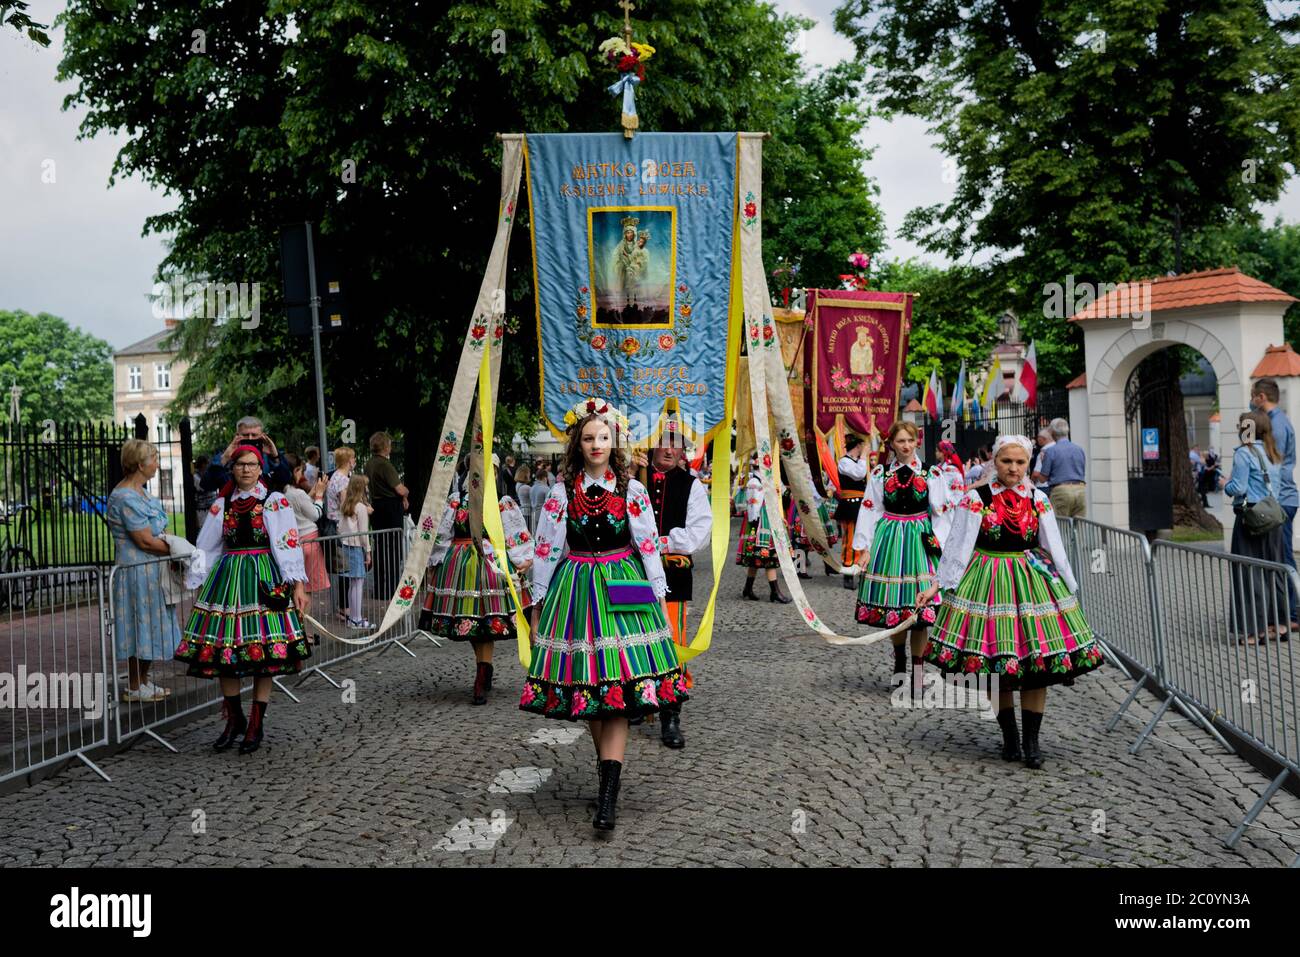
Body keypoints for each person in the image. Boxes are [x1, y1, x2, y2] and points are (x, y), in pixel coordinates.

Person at [520, 398, 687, 833]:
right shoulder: (561, 492)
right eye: (589, 437)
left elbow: (649, 546)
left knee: (616, 689)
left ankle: (608, 793)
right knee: (591, 690)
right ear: (578, 442)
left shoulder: (631, 491)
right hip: (575, 591)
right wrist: (537, 606)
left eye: (604, 437)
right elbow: (546, 550)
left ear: (616, 443)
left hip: (622, 588)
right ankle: (605, 772)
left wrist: (659, 601)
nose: (596, 444)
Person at [917, 434, 1104, 769]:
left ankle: (1032, 742)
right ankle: (1010, 738)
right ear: (995, 461)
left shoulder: (1039, 500)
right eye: (1007, 461)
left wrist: (1068, 583)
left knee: (1036, 667)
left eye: (1020, 462)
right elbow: (959, 546)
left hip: (1032, 580)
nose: (1013, 468)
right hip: (987, 580)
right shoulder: (976, 498)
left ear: (1028, 464)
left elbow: (1054, 545)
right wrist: (938, 585)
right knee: (996, 665)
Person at [174, 444, 312, 754]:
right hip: (228, 581)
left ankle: (255, 722)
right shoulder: (221, 505)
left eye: (252, 464)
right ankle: (234, 718)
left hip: (264, 578)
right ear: (233, 469)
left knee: (264, 655)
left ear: (261, 468)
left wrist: (298, 587)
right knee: (224, 653)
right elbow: (207, 545)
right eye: (240, 465)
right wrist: (196, 578)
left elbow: (288, 545)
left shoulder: (274, 502)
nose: (246, 470)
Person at [418, 455, 535, 705]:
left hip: (491, 567)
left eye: (489, 470)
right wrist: (434, 560)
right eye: (477, 469)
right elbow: (442, 534)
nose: (483, 474)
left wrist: (521, 558)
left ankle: (482, 674)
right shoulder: (457, 501)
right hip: (460, 567)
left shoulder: (500, 502)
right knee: (472, 624)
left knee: (485, 625)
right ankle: (485, 667)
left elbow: (513, 533)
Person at [853, 421, 952, 691]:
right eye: (900, 441)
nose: (906, 446)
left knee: (920, 611)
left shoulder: (931, 473)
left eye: (910, 440)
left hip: (921, 542)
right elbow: (871, 508)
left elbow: (943, 511)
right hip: (890, 541)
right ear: (892, 444)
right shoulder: (881, 473)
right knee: (895, 609)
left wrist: (939, 542)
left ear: (917, 442)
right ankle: (899, 663)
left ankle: (918, 673)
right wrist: (864, 547)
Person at [647, 433, 711, 749]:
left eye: (677, 444)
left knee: (671, 643)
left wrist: (664, 542)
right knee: (627, 637)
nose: (671, 449)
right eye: (664, 441)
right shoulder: (631, 477)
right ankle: (636, 700)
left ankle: (670, 713)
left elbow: (699, 533)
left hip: (672, 575)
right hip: (632, 575)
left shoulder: (691, 485)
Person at [108, 439, 183, 702]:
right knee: (137, 624)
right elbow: (144, 541)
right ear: (140, 464)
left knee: (151, 624)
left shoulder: (141, 493)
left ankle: (143, 680)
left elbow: (157, 533)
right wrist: (180, 549)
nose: (157, 464)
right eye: (154, 459)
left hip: (151, 571)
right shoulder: (124, 497)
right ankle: (134, 684)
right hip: (136, 572)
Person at [1222, 410, 1289, 644]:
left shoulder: (1244, 452)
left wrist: (1225, 484)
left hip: (1251, 519)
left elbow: (1238, 488)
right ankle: (1279, 625)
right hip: (1273, 520)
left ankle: (1256, 631)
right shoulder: (1273, 453)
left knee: (1250, 573)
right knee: (1275, 572)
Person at [1251, 378, 1298, 628]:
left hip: (1281, 500)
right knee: (1281, 556)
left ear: (1261, 397)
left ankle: (1292, 613)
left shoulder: (1276, 426)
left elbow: (1275, 467)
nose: (1251, 401)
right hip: (1281, 500)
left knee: (1284, 558)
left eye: (1253, 396)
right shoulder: (1279, 421)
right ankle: (1286, 612)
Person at [736, 453, 793, 603]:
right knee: (768, 556)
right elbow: (753, 505)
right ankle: (774, 592)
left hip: (767, 518)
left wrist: (780, 518)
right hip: (760, 521)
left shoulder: (765, 480)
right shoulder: (754, 482)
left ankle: (747, 589)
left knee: (757, 558)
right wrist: (756, 524)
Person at [364, 432, 409, 598]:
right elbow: (399, 488)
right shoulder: (385, 465)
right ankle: (392, 588)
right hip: (391, 508)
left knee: (381, 548)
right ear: (385, 447)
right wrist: (406, 493)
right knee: (394, 548)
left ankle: (380, 589)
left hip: (377, 507)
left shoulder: (369, 464)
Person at [200, 416, 293, 495]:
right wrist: (225, 458)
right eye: (245, 435)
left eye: (254, 435)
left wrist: (275, 456)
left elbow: (285, 480)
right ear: (237, 435)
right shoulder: (226, 456)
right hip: (233, 510)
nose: (250, 438)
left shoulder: (270, 456)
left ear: (262, 436)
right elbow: (206, 485)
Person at [284, 457, 330, 598]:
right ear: (295, 471)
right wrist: (320, 495)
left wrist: (313, 493)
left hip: (293, 541)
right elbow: (315, 514)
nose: (301, 475)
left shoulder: (284, 492)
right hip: (309, 541)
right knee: (306, 589)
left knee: (295, 588)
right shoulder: (297, 493)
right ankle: (302, 620)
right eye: (300, 471)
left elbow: (301, 506)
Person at [337, 473, 375, 629]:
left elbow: (339, 528)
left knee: (352, 583)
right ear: (361, 488)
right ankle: (356, 618)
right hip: (357, 547)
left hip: (345, 545)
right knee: (358, 583)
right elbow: (363, 533)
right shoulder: (361, 507)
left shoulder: (346, 505)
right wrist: (368, 552)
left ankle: (353, 618)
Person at [323, 446, 356, 621]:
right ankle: (345, 607)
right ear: (349, 460)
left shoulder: (333, 476)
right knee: (346, 567)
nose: (355, 462)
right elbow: (345, 505)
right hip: (341, 526)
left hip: (334, 523)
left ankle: (343, 606)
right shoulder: (342, 479)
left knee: (343, 567)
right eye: (354, 458)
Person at [1035, 417, 1088, 518]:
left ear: (1053, 433)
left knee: (1061, 527)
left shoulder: (1051, 451)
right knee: (1080, 526)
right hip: (1080, 489)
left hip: (1061, 491)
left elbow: (1042, 479)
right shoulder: (1079, 449)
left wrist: (1043, 461)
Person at [835, 435, 869, 589]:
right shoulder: (844, 461)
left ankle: (861, 568)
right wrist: (863, 457)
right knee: (849, 538)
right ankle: (848, 572)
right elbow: (859, 474)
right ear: (858, 445)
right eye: (863, 444)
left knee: (863, 537)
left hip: (861, 504)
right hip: (850, 504)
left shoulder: (857, 461)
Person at [1028, 428, 1055, 492]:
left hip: (1043, 487)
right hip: (1055, 485)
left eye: (1038, 437)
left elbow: (1036, 474)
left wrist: (1030, 483)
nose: (1037, 439)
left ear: (1043, 438)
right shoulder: (1057, 448)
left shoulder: (1044, 451)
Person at [514, 464, 534, 531]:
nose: (529, 475)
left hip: (524, 511)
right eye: (528, 474)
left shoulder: (519, 485)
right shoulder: (525, 487)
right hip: (527, 513)